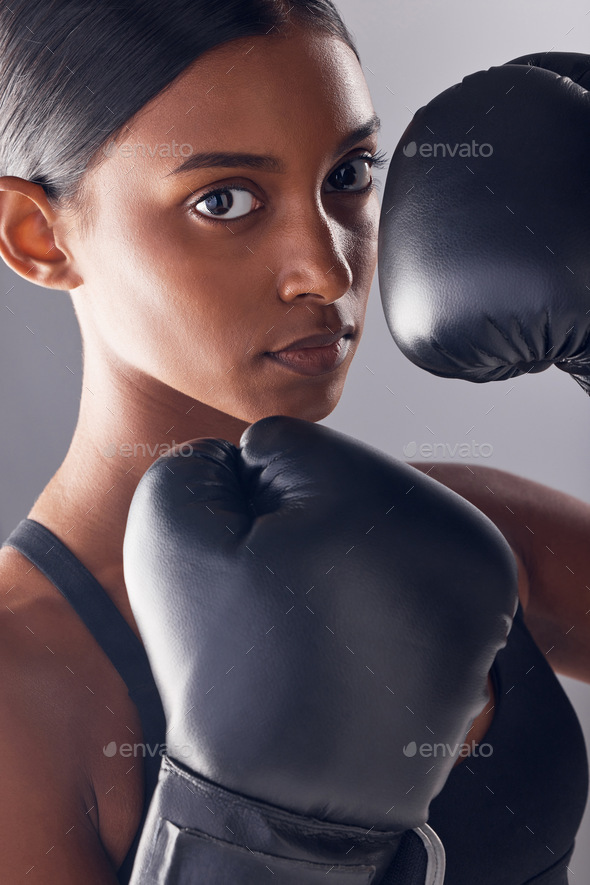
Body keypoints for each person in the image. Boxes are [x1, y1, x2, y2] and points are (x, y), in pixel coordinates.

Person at [0, 1, 586, 882]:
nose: (329, 267)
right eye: (224, 200)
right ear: (38, 236)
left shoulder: (470, 527)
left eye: (349, 174)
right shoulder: (19, 689)